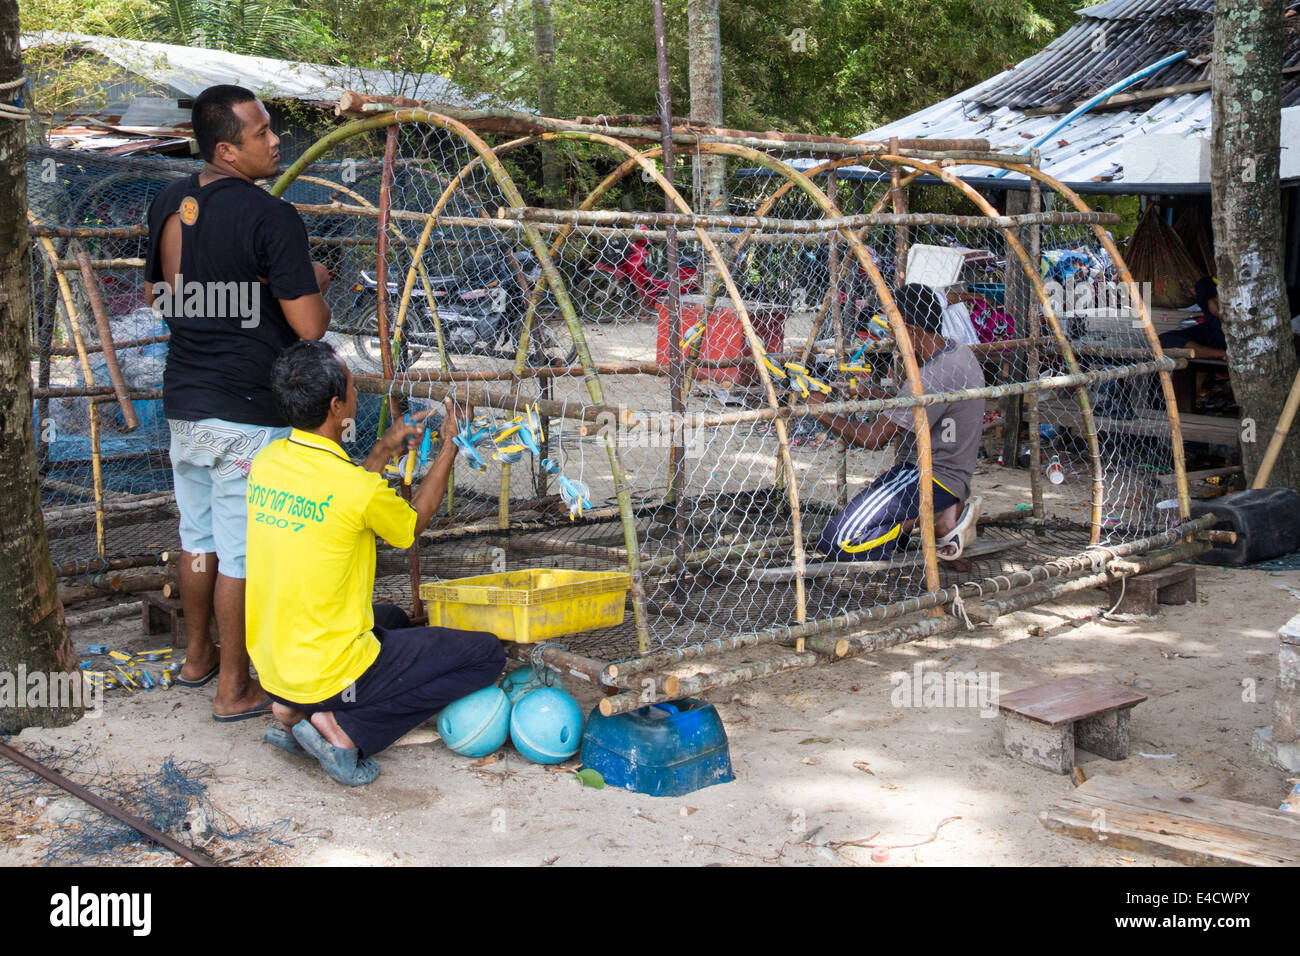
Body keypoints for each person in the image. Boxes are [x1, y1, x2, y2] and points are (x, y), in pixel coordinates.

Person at [144, 84, 331, 721]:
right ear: (227, 149)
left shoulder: (169, 203)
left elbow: (164, 301)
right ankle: (234, 689)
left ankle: (197, 658)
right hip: (246, 415)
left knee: (198, 541)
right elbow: (310, 327)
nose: (275, 139)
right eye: (261, 133)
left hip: (186, 405)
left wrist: (242, 296)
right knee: (242, 554)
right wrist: (306, 283)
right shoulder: (270, 216)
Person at [246, 340, 506, 786]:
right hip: (327, 672)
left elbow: (342, 499)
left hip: (274, 663)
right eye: (350, 389)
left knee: (392, 619)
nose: (355, 396)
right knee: (486, 655)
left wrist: (385, 448)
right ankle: (344, 731)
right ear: (335, 406)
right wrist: (448, 449)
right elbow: (411, 524)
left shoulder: (267, 462)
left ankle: (291, 709)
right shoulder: (355, 489)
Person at [808, 283, 985, 562]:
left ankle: (936, 516)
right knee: (863, 526)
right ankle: (943, 514)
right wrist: (874, 394)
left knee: (838, 542)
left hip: (931, 477)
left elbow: (872, 439)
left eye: (893, 329)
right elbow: (924, 406)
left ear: (912, 331)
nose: (889, 336)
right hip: (953, 476)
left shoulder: (930, 377)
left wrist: (819, 412)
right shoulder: (957, 352)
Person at [1159, 277, 1225, 360]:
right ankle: (1225, 354)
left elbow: (1213, 306)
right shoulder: (1208, 282)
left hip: (1220, 330)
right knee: (1165, 340)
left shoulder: (1207, 283)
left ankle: (1226, 354)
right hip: (1215, 332)